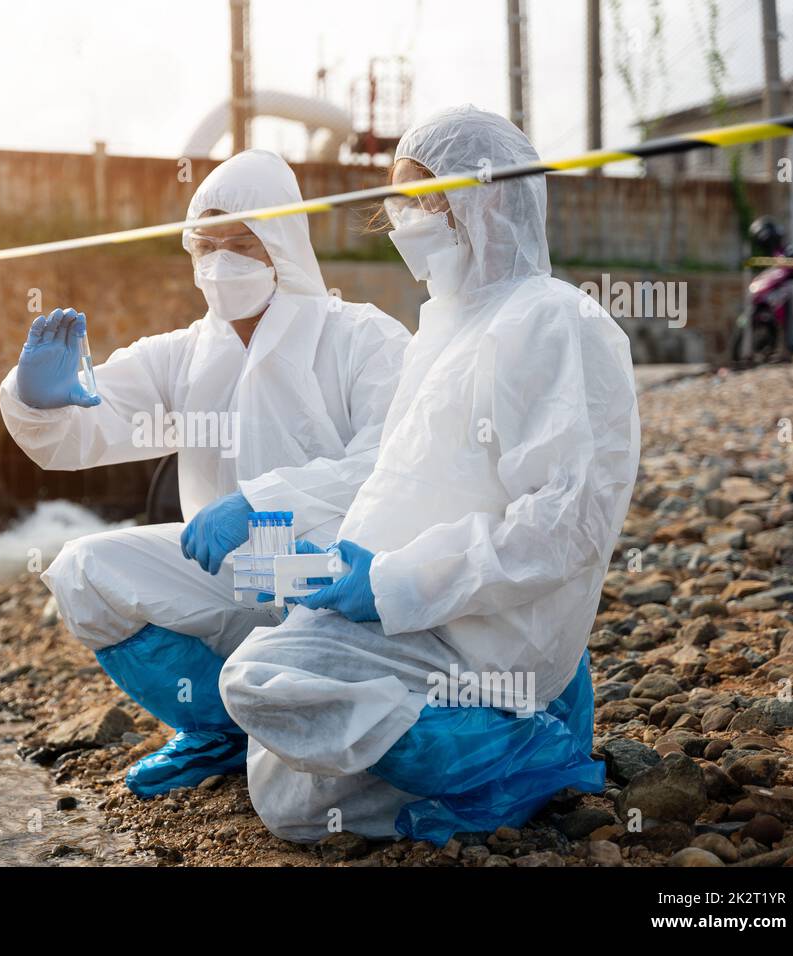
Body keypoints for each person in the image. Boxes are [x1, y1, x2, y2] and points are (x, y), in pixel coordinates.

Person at [218, 106, 641, 844]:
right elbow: (404, 478)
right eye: (396, 203)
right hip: (410, 605)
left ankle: (531, 745)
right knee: (294, 802)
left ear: (491, 197)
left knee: (253, 679)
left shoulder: (551, 319)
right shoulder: (440, 328)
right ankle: (517, 728)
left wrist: (394, 581)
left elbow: (567, 522)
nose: (403, 220)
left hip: (476, 624)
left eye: (421, 199)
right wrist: (332, 555)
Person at [0, 149, 410, 797]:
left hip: (332, 578)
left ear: (283, 242)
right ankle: (219, 731)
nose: (222, 261)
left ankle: (299, 710)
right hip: (237, 571)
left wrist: (263, 501)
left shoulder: (360, 338)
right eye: (206, 244)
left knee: (311, 793)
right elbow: (83, 432)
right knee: (84, 572)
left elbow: (396, 458)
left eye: (243, 241)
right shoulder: (183, 355)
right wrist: (37, 396)